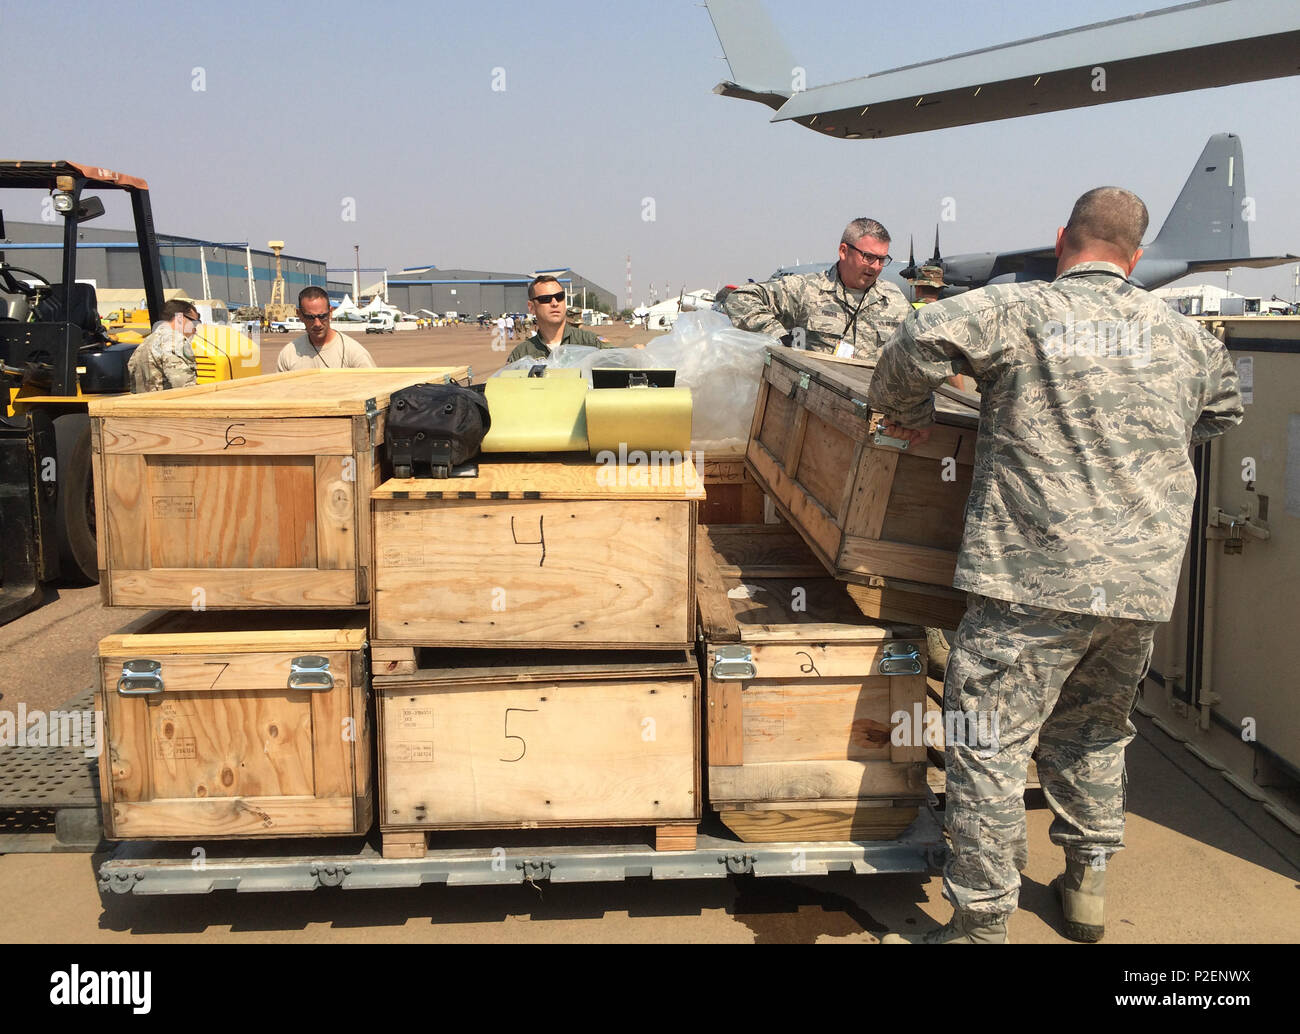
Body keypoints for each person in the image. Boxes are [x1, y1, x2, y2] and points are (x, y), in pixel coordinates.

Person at [868, 187, 1244, 944]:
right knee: (1095, 735)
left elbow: (914, 342)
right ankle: (1086, 885)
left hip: (1028, 583)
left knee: (986, 746)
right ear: (1135, 258)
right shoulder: (1186, 337)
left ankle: (980, 924)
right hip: (1136, 589)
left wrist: (905, 413)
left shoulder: (1021, 311)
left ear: (1062, 238)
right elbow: (1224, 412)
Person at [722, 217, 911, 361]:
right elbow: (740, 299)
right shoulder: (807, 290)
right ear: (844, 251)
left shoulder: (895, 301)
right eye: (868, 257)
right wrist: (777, 337)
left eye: (882, 259)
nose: (875, 266)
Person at [506, 275, 615, 363]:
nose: (554, 303)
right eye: (545, 299)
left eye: (559, 297)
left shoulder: (590, 343)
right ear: (531, 307)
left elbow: (621, 362)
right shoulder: (521, 355)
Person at [275, 286, 376, 371]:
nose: (317, 323)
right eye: (310, 317)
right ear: (299, 315)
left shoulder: (354, 353)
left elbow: (374, 388)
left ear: (331, 312)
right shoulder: (288, 355)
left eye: (322, 316)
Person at [127, 298, 202, 393]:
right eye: (194, 322)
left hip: (145, 405)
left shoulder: (144, 343)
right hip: (169, 405)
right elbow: (185, 386)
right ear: (180, 319)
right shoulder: (175, 340)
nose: (195, 329)